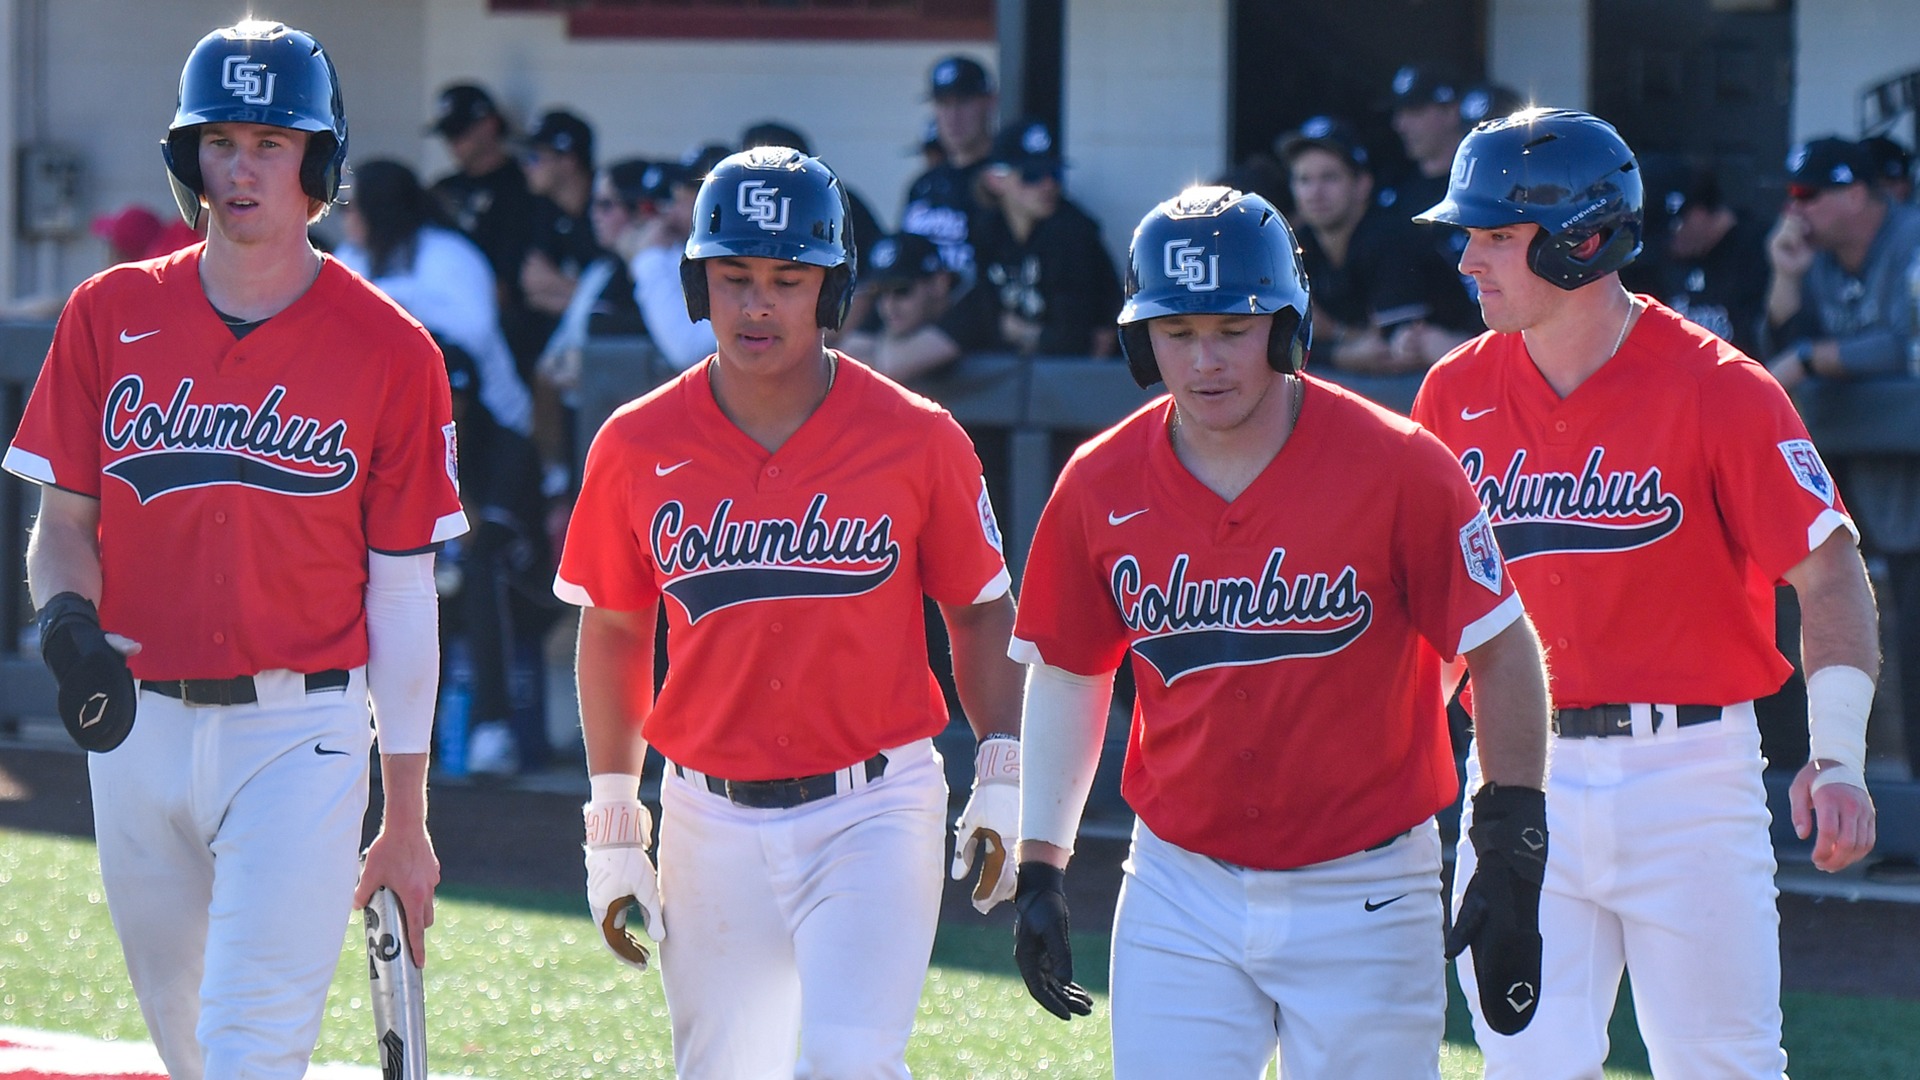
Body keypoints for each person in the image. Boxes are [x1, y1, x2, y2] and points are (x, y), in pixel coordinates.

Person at [3, 20, 464, 1079]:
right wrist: (68, 624)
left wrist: (406, 814)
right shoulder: (109, 312)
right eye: (220, 141)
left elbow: (402, 600)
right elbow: (63, 528)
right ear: (187, 159)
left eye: (270, 140)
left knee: (252, 1050)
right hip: (135, 728)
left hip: (300, 731)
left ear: (319, 160)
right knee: (191, 1056)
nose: (242, 167)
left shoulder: (393, 348)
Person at [1009, 184, 1553, 1078]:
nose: (1206, 359)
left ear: (1286, 325)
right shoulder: (1097, 481)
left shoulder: (1401, 463)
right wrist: (1042, 862)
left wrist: (1510, 840)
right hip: (1179, 886)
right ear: (1141, 340)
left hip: (1368, 886)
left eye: (1232, 327)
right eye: (1178, 333)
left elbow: (1501, 648)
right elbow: (1071, 673)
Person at [1412, 108, 1881, 1077]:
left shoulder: (1721, 386)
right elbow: (1426, 612)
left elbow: (1828, 569)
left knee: (1725, 1067)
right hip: (1516, 780)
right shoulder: (1449, 394)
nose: (1466, 259)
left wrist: (1835, 755)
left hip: (1691, 777)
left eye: (1495, 235)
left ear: (1582, 241)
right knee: (1526, 1066)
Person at [552, 147, 1024, 1077]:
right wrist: (614, 821)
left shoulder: (917, 434)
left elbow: (979, 612)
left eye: (786, 278)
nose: (758, 303)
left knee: (849, 1065)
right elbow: (612, 630)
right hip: (704, 813)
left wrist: (1002, 767)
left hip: (875, 804)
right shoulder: (636, 440)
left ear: (829, 289)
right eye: (734, 277)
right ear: (700, 283)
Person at [1762, 135, 1920, 792]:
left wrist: (1816, 361)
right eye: (1791, 196)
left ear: (1857, 194)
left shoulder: (1910, 240)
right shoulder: (1817, 261)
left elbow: (1904, 347)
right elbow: (1776, 350)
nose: (1795, 211)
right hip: (1858, 475)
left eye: (1809, 196)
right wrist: (1786, 278)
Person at [333, 158, 533, 437]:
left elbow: (476, 330)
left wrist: (396, 300)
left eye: (351, 207)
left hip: (489, 420)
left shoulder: (448, 252)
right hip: (391, 416)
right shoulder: (351, 257)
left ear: (379, 208)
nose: (344, 217)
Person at [1277, 115, 1476, 374]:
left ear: (1362, 186)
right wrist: (1341, 346)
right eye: (1304, 180)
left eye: (1329, 178)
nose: (1315, 192)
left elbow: (1393, 353)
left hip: (1451, 365)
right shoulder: (1297, 242)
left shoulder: (1388, 238)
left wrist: (1334, 339)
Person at [970, 117, 1123, 358]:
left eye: (1054, 173)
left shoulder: (1072, 233)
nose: (1048, 184)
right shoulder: (987, 231)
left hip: (1081, 380)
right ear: (995, 180)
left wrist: (1022, 333)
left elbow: (1075, 341)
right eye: (1031, 175)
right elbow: (981, 324)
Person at [427, 81, 539, 334]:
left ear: (489, 125)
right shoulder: (441, 188)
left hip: (496, 316)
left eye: (459, 131)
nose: (452, 142)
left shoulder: (521, 186)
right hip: (437, 305)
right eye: (447, 133)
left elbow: (510, 281)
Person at [1652, 165, 1771, 358]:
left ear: (1698, 214)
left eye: (1673, 229)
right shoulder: (1670, 260)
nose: (1668, 241)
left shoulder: (1761, 249)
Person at [625, 146, 726, 372]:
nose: (671, 211)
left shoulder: (743, 261)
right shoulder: (680, 251)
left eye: (687, 198)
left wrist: (648, 259)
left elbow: (687, 350)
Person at [902, 55, 997, 279]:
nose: (953, 116)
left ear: (990, 101)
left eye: (963, 102)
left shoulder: (1007, 180)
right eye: (943, 103)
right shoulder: (923, 185)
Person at [835, 231, 972, 381]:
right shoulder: (895, 311)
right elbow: (843, 362)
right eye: (879, 293)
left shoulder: (969, 306)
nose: (888, 305)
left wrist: (879, 348)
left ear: (939, 283)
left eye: (902, 290)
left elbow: (890, 367)